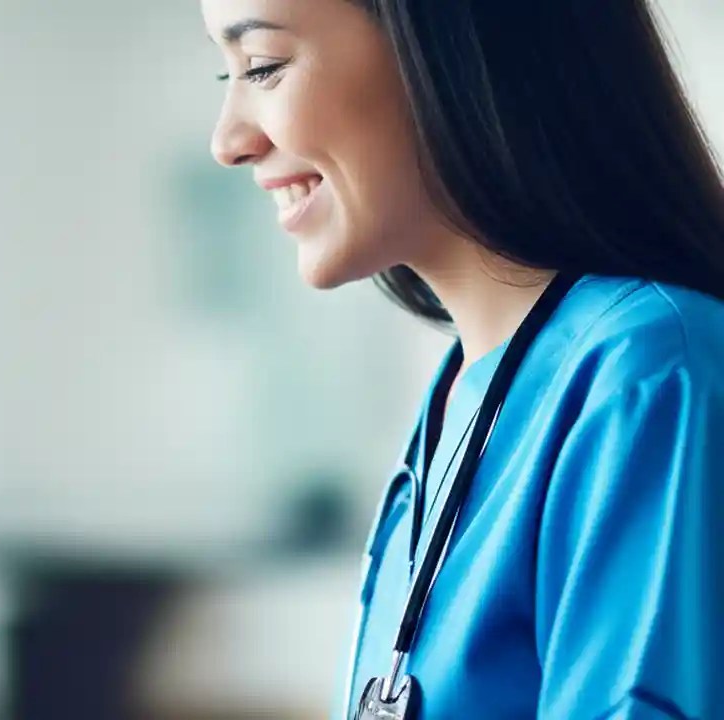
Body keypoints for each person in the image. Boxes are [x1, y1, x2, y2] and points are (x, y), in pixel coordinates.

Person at [200, 0, 724, 718]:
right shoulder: (459, 402)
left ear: (446, 46)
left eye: (263, 66)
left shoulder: (652, 374)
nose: (227, 140)